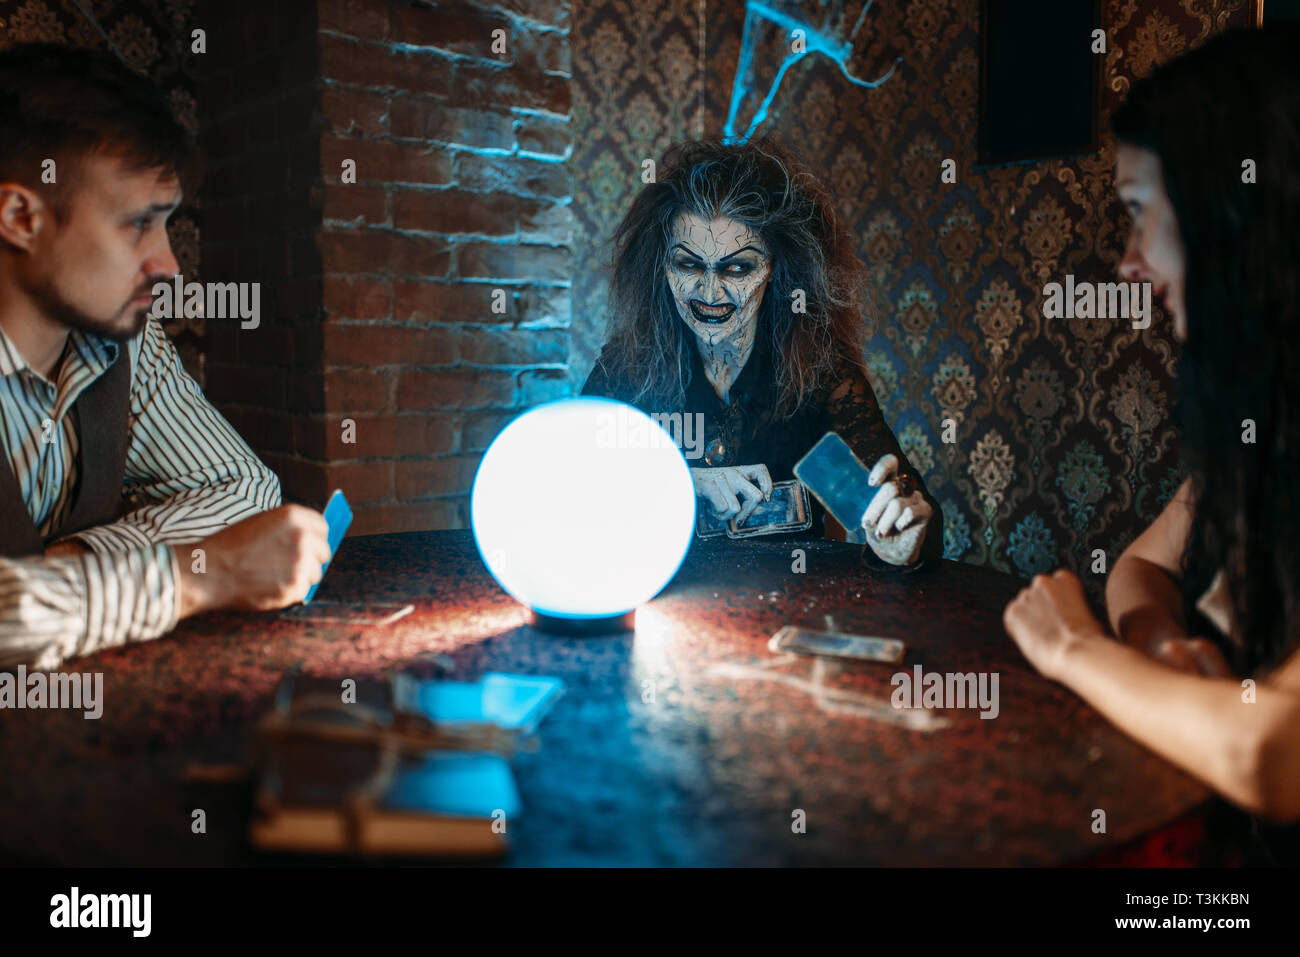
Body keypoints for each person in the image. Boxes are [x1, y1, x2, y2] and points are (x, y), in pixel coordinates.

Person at [1003, 27, 1300, 853]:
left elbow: (1271, 752)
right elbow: (1142, 564)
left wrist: (1073, 647)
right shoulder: (1262, 411)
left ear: (1230, 209)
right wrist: (1161, 641)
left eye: (1139, 213)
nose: (1129, 263)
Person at [0, 43, 330, 670]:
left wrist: (61, 573)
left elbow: (243, 490)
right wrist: (193, 578)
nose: (169, 266)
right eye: (137, 225)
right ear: (21, 215)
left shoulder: (124, 340)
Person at [582, 137, 941, 568]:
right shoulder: (626, 364)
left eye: (736, 268)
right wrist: (680, 481)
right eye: (689, 264)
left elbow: (911, 514)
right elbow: (568, 487)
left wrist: (906, 543)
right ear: (662, 266)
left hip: (788, 611)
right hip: (662, 604)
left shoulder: (822, 373)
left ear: (774, 268)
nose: (709, 292)